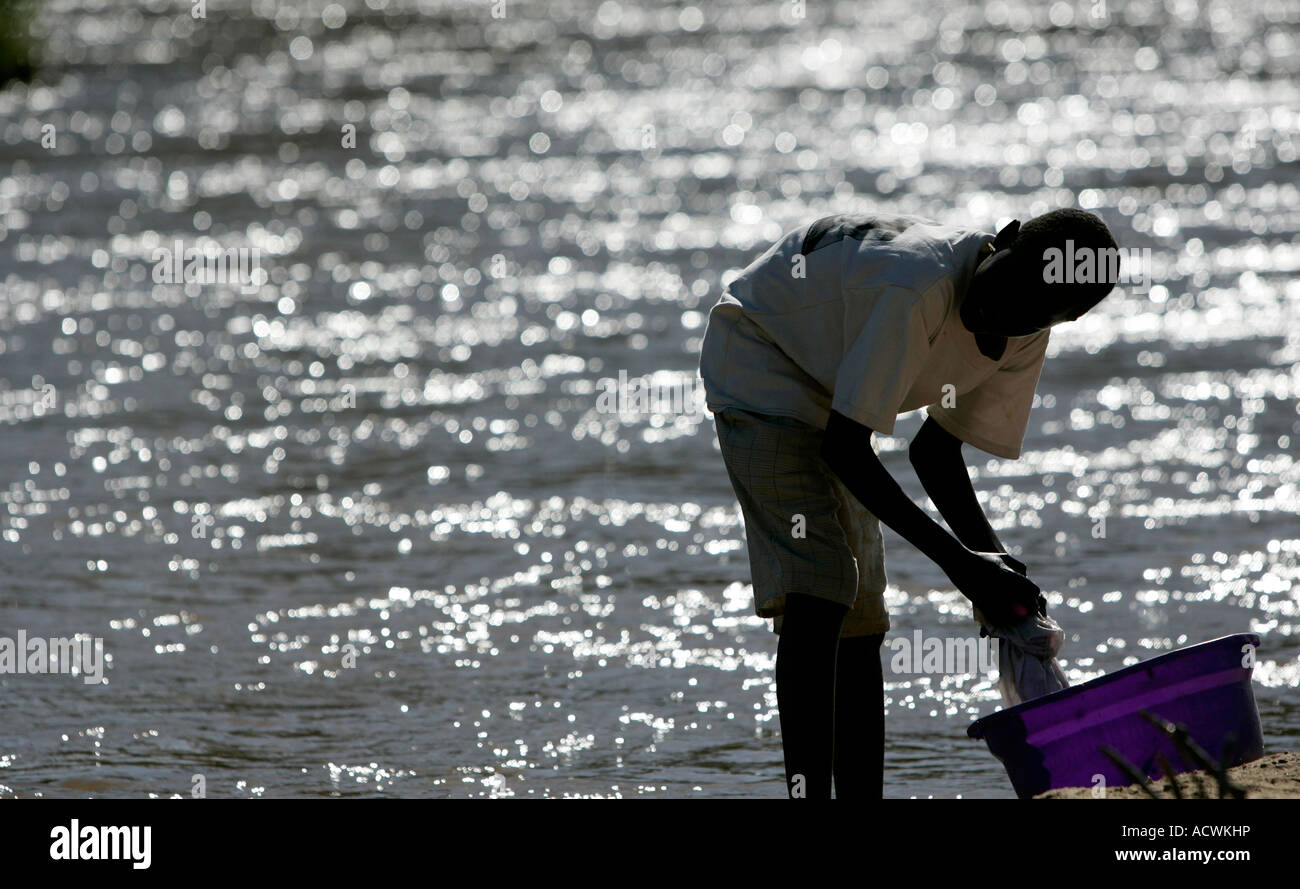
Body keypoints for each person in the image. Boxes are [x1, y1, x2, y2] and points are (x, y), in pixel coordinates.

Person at [698, 208, 1120, 798]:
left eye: (1029, 314)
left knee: (863, 616)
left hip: (835, 383)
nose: (999, 315)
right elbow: (848, 449)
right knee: (820, 590)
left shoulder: (1026, 327)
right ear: (1007, 238)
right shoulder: (916, 285)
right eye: (1005, 288)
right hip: (763, 358)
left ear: (1062, 318)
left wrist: (992, 567)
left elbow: (936, 452)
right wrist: (961, 564)